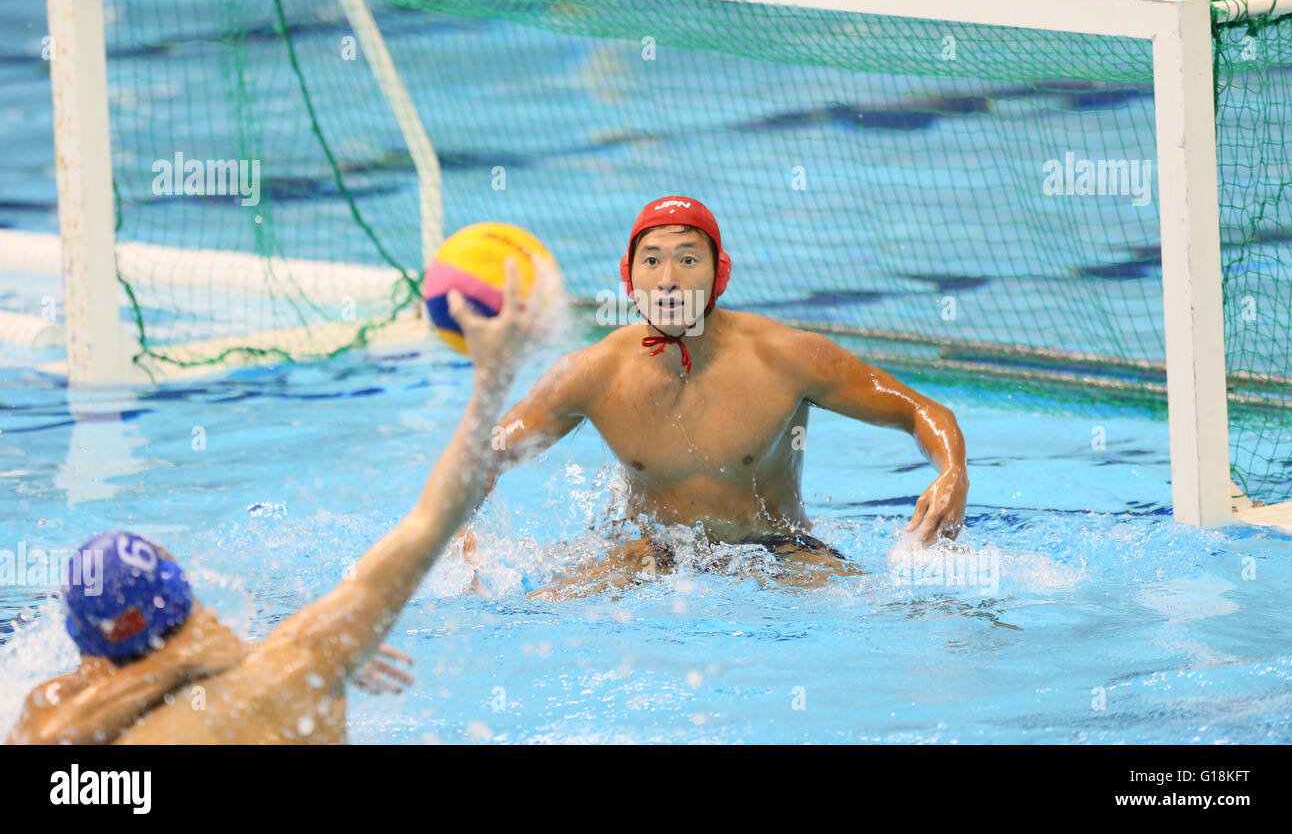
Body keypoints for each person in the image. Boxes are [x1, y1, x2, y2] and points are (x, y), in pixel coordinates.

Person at [6, 260, 542, 744]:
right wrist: (491, 381)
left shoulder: (51, 713)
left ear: (84, 645)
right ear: (187, 601)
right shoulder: (296, 663)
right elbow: (430, 523)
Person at [462, 196, 969, 600]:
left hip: (777, 550)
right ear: (630, 276)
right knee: (534, 609)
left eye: (687, 260)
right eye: (652, 261)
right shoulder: (591, 374)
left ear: (718, 273)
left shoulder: (786, 357)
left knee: (896, 607)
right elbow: (489, 454)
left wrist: (952, 474)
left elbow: (920, 410)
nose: (668, 279)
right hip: (650, 555)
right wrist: (457, 534)